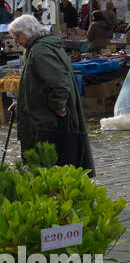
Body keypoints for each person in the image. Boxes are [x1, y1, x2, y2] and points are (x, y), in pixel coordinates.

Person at [10, 14, 94, 174]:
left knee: (50, 167)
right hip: (45, 119)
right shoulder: (39, 47)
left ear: (29, 30)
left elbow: (58, 84)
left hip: (47, 121)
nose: (16, 41)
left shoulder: (39, 50)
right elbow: (38, 84)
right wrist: (22, 103)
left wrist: (58, 105)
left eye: (17, 36)